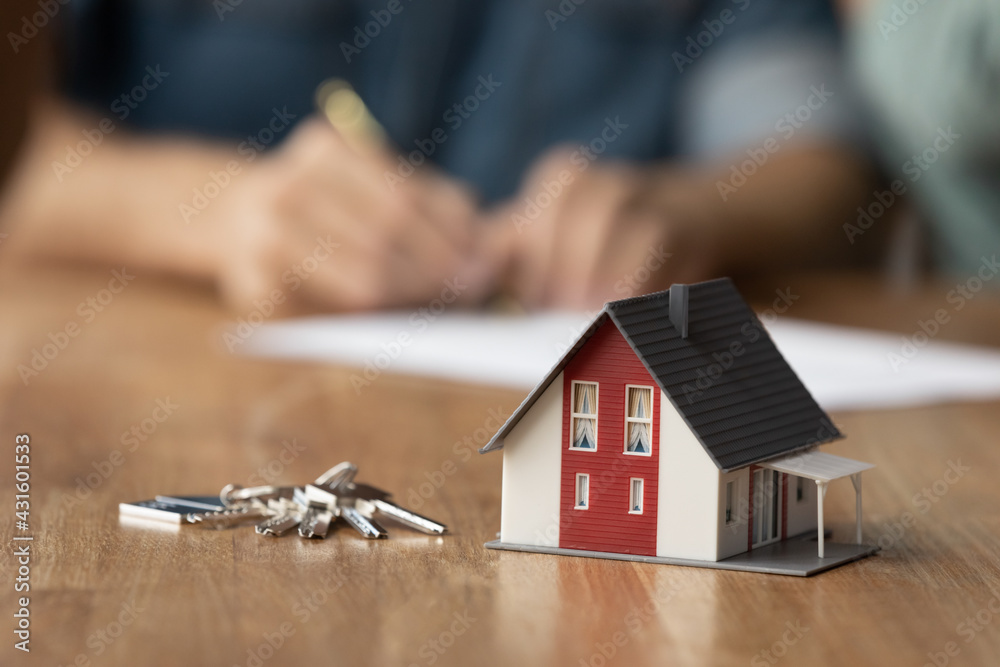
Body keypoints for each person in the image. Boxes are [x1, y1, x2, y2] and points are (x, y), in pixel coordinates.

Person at [0, 0, 878, 313]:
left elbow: (819, 161)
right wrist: (221, 214)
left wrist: (698, 210)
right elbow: (22, 160)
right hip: (162, 404)